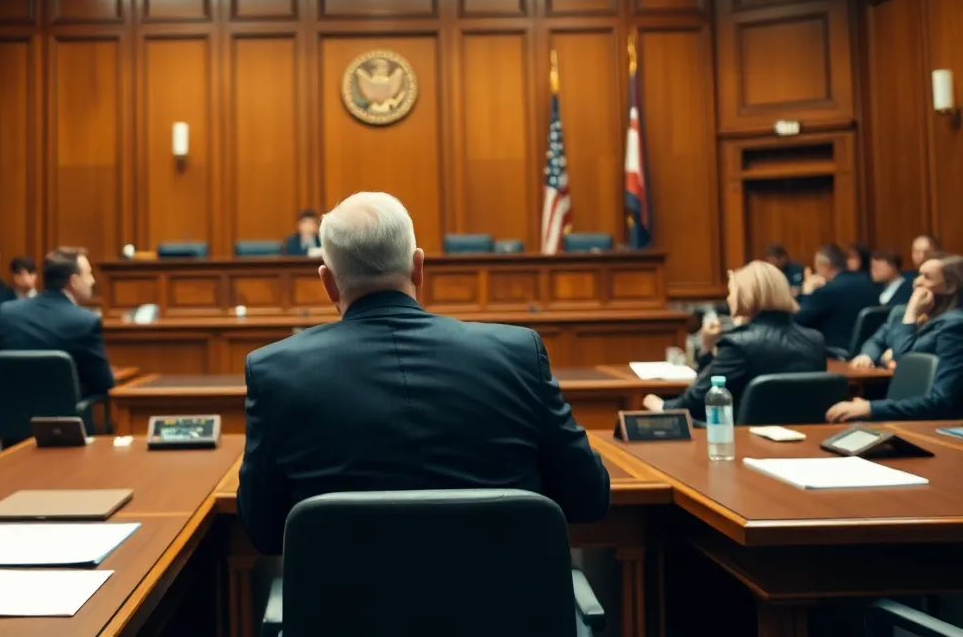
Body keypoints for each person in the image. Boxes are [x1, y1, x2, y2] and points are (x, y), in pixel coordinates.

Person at [237, 192, 610, 556]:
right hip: (505, 614)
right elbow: (589, 498)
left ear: (328, 281)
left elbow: (265, 532)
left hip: (348, 617)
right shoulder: (517, 354)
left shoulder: (274, 371)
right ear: (418, 267)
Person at [643, 261, 825, 421]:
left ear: (744, 296)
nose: (729, 298)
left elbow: (696, 400)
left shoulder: (739, 343)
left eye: (732, 292)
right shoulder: (815, 340)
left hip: (743, 444)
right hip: (806, 444)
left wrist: (662, 407)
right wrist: (709, 345)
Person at [829, 255, 963, 422]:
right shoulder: (902, 312)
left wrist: (871, 408)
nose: (916, 282)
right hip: (905, 408)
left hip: (934, 423)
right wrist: (870, 355)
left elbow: (904, 358)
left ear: (950, 286)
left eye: (927, 277)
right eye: (918, 275)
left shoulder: (954, 325)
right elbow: (878, 339)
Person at [0, 247, 114, 398]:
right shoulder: (85, 321)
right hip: (62, 417)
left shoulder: (7, 312)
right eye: (88, 274)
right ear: (73, 281)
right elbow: (103, 383)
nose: (92, 281)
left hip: (6, 413)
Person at [794, 244, 881, 355]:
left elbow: (798, 321)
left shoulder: (826, 291)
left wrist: (807, 292)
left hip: (835, 352)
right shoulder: (870, 283)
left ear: (825, 267)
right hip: (869, 351)